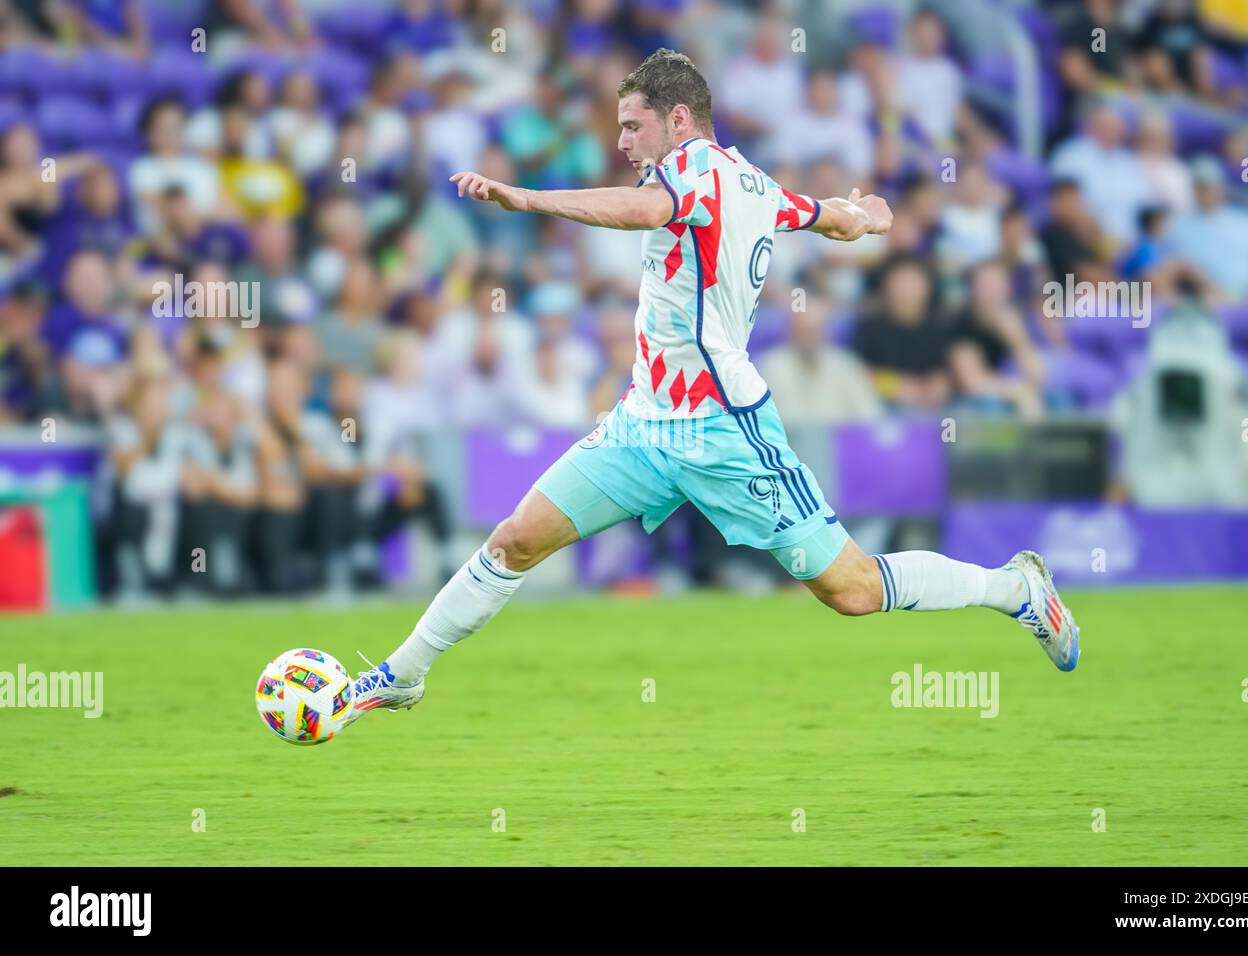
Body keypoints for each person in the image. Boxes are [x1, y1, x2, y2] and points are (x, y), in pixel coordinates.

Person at [349, 50, 1081, 722]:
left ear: (677, 120)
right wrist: (861, 218)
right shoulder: (752, 181)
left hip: (723, 425)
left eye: (633, 126)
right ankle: (404, 673)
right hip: (645, 421)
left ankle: (1014, 589)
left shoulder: (693, 172)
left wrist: (530, 200)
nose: (624, 142)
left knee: (852, 590)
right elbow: (819, 216)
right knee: (515, 539)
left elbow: (647, 209)